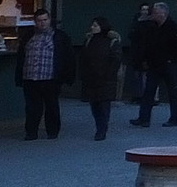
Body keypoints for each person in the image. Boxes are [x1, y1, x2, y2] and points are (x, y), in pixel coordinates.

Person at [18, 11, 75, 142]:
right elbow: (22, 56)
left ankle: (52, 131)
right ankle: (31, 132)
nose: (42, 23)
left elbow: (68, 57)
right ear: (35, 22)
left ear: (49, 20)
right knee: (32, 107)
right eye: (39, 20)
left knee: (51, 106)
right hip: (31, 77)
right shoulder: (29, 36)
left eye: (44, 20)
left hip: (50, 78)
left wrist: (66, 75)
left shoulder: (59, 36)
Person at [130, 1, 177, 128]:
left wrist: (172, 60)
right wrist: (145, 60)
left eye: (155, 12)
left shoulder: (173, 27)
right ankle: (144, 118)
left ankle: (174, 118)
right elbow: (146, 44)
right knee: (148, 92)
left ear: (163, 13)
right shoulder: (151, 27)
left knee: (172, 93)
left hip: (168, 64)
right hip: (154, 64)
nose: (153, 14)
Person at [78, 17, 123, 142]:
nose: (92, 28)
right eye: (92, 25)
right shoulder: (89, 41)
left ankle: (102, 130)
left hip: (105, 79)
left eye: (96, 25)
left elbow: (115, 60)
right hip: (91, 79)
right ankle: (99, 127)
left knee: (103, 106)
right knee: (95, 105)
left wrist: (108, 75)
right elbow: (83, 59)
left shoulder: (112, 42)